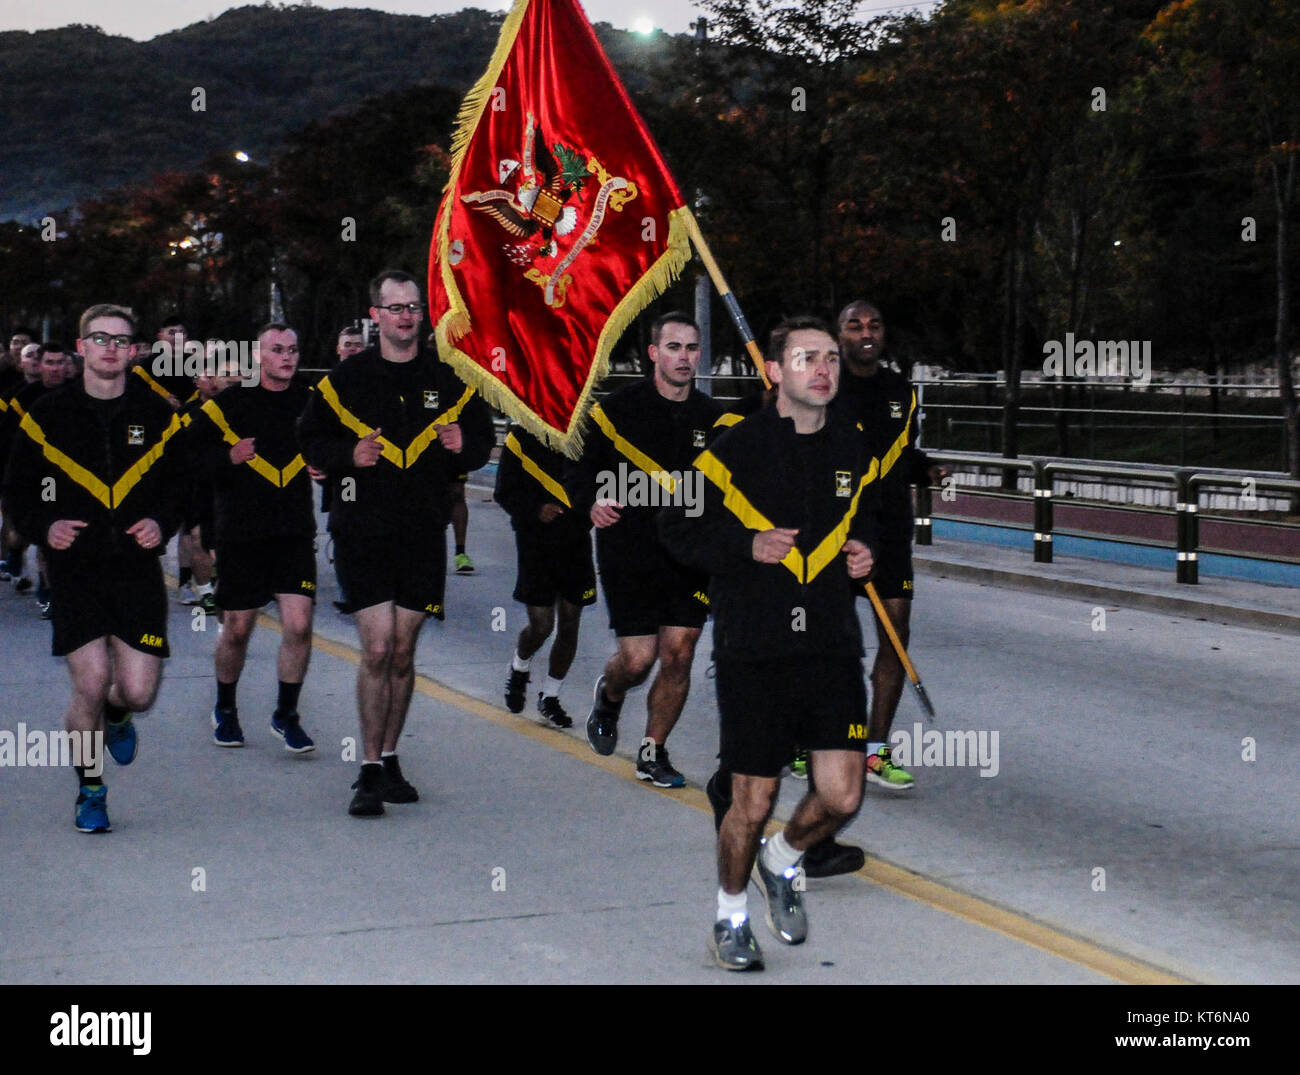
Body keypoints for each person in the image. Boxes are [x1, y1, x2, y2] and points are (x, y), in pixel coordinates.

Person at [660, 315, 879, 971]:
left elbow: (858, 521)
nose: (824, 369)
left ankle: (783, 859)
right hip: (754, 644)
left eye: (832, 357)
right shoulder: (737, 446)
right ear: (776, 370)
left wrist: (865, 551)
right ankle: (729, 916)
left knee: (843, 795)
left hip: (833, 642)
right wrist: (744, 546)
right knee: (750, 800)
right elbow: (676, 524)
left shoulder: (852, 445)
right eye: (807, 357)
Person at [298, 269, 493, 817]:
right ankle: (366, 770)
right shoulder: (346, 379)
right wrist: (346, 457)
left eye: (414, 307)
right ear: (376, 316)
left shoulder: (451, 377)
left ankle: (389, 754)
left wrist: (464, 447)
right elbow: (309, 438)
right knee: (378, 648)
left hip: (422, 532)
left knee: (404, 652)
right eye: (395, 307)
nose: (406, 316)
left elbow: (480, 442)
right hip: (361, 529)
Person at [1, 304, 186, 833]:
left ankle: (120, 714)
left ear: (133, 351)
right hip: (77, 570)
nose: (110, 348)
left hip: (135, 571)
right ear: (82, 347)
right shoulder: (48, 413)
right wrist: (45, 529)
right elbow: (17, 489)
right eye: (100, 339)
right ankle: (90, 790)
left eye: (121, 341)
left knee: (137, 693)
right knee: (91, 682)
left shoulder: (156, 413)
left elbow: (180, 484)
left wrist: (161, 521)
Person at [565, 312, 721, 787]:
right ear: (654, 353)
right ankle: (610, 696)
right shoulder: (613, 411)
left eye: (692, 349)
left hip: (688, 556)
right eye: (674, 347)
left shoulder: (715, 420)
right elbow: (577, 468)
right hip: (627, 550)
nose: (684, 358)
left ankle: (652, 750)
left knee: (680, 652)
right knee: (638, 660)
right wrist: (592, 501)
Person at [188, 323, 322, 752]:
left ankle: (286, 715)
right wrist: (228, 457)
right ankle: (225, 707)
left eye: (294, 349)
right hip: (242, 532)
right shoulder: (229, 403)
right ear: (259, 357)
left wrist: (329, 464)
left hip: (294, 531)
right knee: (239, 629)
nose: (288, 357)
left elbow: (333, 444)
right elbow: (188, 457)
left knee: (299, 625)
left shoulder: (311, 401)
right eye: (278, 349)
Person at [834, 300, 947, 791]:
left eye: (874, 324)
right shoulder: (824, 384)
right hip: (834, 532)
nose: (865, 332)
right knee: (827, 643)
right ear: (839, 333)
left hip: (891, 530)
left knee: (895, 635)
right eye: (854, 325)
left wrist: (926, 470)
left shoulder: (901, 390)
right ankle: (811, 739)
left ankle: (875, 750)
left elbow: (903, 454)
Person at [494, 423, 597, 728]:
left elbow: (599, 479)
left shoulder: (583, 435)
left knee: (569, 622)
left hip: (576, 541)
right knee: (541, 626)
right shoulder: (521, 437)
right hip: (535, 541)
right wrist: (536, 509)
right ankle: (519, 666)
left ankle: (550, 696)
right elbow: (504, 491)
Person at [1, 343, 72, 617]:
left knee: (64, 535)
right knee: (31, 535)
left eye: (60, 363)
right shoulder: (23, 399)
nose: (55, 369)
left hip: (75, 479)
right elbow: (8, 442)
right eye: (50, 363)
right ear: (38, 366)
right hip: (40, 479)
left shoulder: (78, 393)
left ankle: (53, 589)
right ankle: (22, 561)